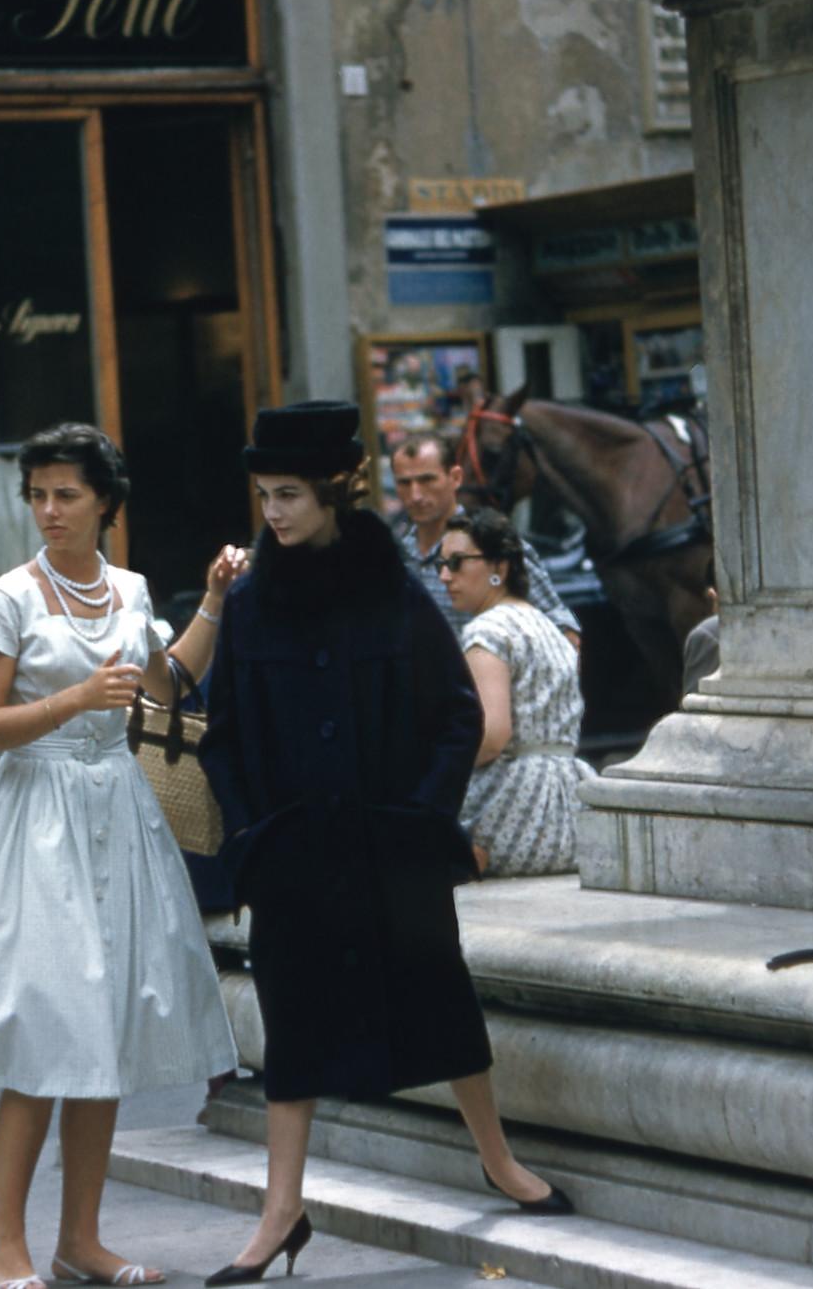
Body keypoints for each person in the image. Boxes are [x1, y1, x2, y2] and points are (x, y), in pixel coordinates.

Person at [197, 403, 572, 1286]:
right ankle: (279, 1210)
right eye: (264, 494)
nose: (274, 512)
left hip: (390, 845)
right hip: (295, 854)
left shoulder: (396, 590)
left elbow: (456, 715)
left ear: (331, 490)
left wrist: (418, 817)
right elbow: (224, 735)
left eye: (288, 493)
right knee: (293, 1026)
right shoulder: (251, 604)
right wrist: (258, 834)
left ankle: (498, 1159)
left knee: (440, 995)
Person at [0, 424, 242, 1289]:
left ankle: (81, 1237)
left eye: (66, 494)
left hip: (117, 805)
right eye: (37, 492)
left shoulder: (129, 586)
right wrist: (75, 697)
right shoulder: (8, 596)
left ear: (105, 503)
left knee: (104, 1027)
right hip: (38, 811)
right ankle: (7, 1244)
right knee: (45, 1023)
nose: (48, 509)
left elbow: (165, 683)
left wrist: (215, 600)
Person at [437, 510, 595, 877]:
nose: (445, 576)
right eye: (442, 564)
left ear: (500, 567)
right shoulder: (546, 625)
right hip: (569, 806)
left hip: (513, 807)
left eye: (458, 563)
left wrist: (436, 771)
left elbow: (493, 736)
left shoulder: (489, 631)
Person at [386, 434, 580, 644]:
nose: (415, 495)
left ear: (455, 478)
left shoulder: (489, 543)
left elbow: (559, 624)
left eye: (427, 480)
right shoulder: (399, 554)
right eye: (404, 483)